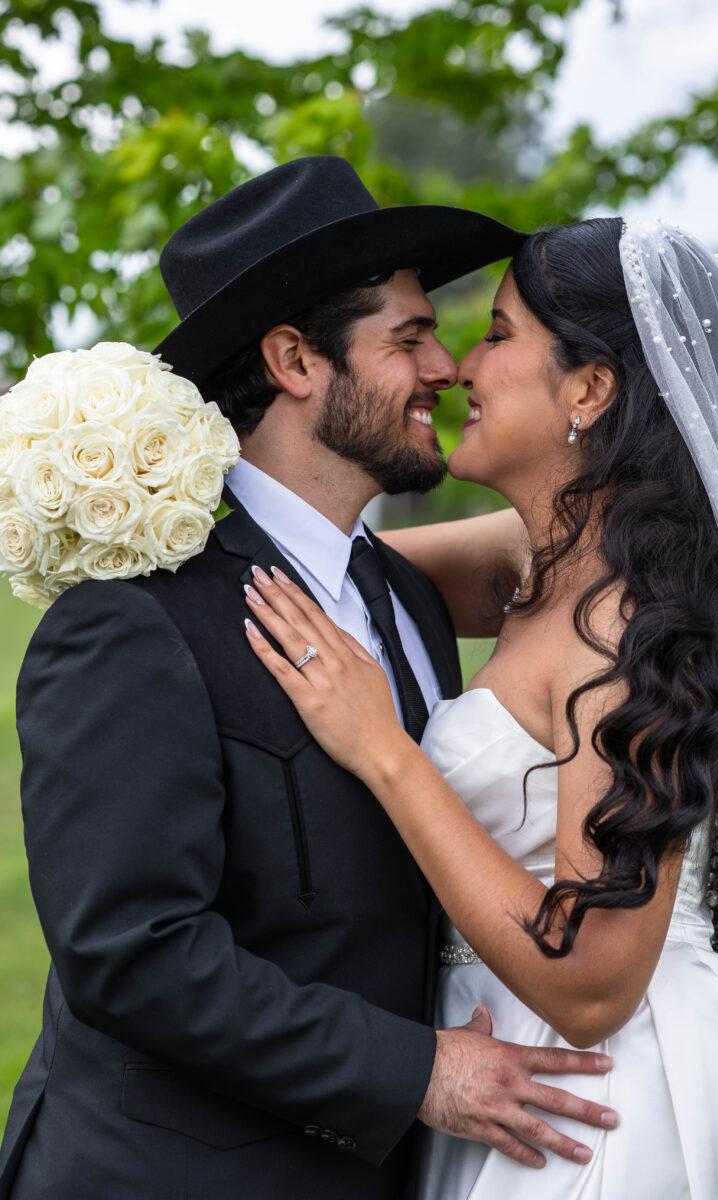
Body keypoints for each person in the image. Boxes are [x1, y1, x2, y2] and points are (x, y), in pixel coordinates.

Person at [0, 158, 618, 1200]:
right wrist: (416, 1072)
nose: (446, 367)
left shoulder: (410, 598)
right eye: (408, 338)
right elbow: (129, 952)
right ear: (293, 359)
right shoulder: (134, 618)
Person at [244, 215, 718, 1199]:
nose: (460, 367)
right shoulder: (534, 560)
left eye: (498, 335)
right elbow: (302, 567)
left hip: (606, 1095)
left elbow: (592, 981)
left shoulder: (624, 624)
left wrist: (386, 751)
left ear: (588, 390)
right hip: (497, 1059)